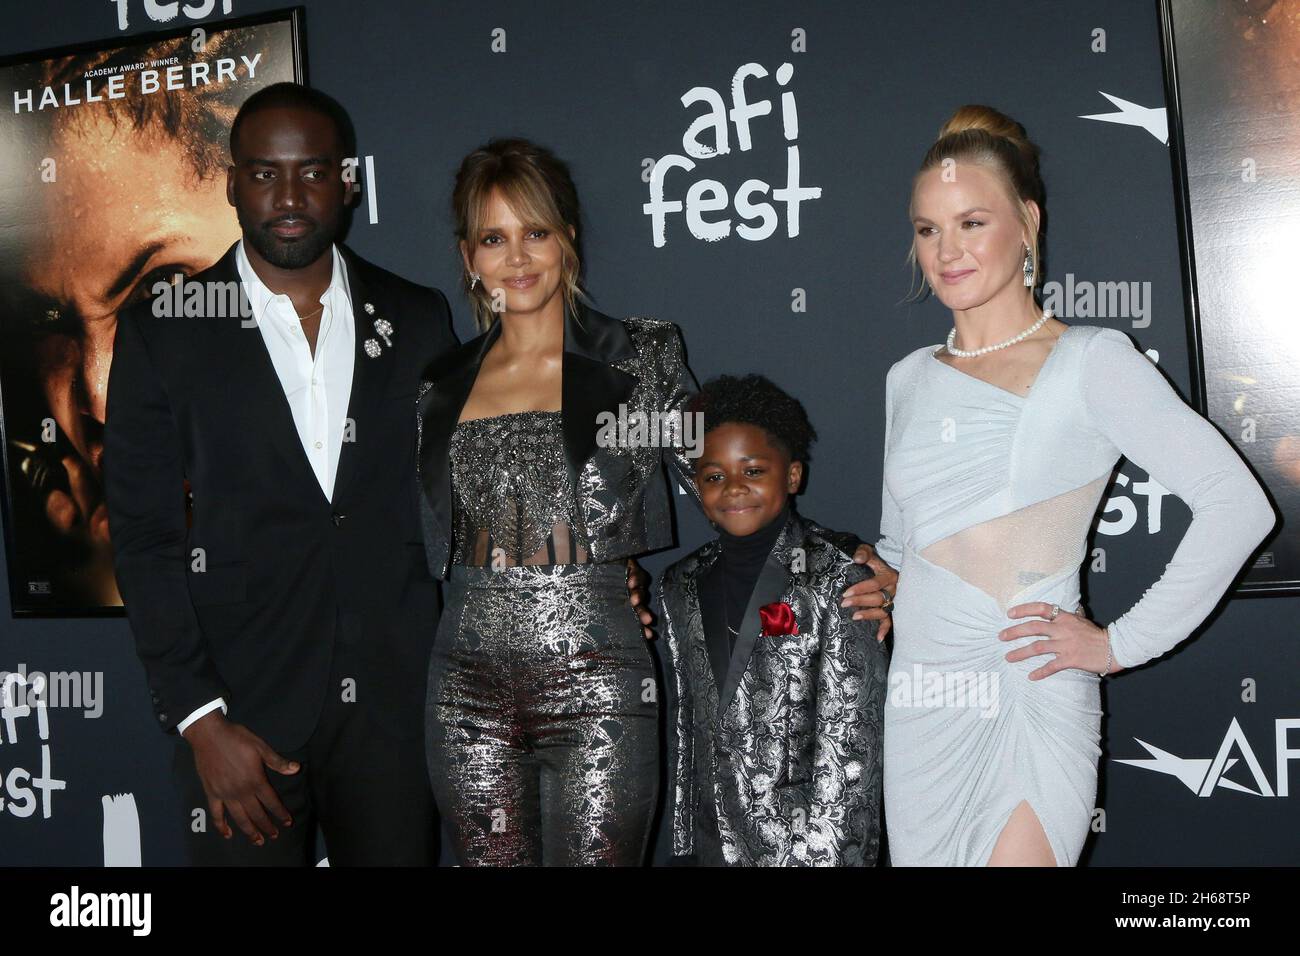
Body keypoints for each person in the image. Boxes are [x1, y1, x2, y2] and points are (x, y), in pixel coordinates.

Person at [418, 138, 894, 866]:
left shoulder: (634, 361)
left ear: (568, 240)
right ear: (469, 256)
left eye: (536, 232)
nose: (517, 258)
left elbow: (727, 472)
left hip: (597, 681)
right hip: (466, 689)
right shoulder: (440, 386)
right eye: (494, 238)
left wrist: (841, 558)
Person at [877, 104, 1276, 866]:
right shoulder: (906, 379)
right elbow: (908, 543)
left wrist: (1120, 644)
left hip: (1029, 689)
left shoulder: (1091, 359)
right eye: (928, 229)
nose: (946, 251)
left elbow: (1237, 506)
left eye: (971, 223)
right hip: (924, 702)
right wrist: (872, 572)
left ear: (1026, 223)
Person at [104, 82, 457, 865]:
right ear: (231, 183)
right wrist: (201, 720)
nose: (290, 196)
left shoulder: (419, 317)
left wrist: (587, 580)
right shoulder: (165, 330)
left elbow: (458, 496)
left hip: (395, 719)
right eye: (264, 173)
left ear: (347, 180)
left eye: (313, 171)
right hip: (243, 721)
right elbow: (145, 538)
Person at [659, 374, 887, 866]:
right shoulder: (679, 583)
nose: (733, 489)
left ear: (792, 476)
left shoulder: (839, 576)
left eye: (754, 470)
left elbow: (851, 748)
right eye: (713, 476)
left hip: (801, 846)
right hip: (705, 842)